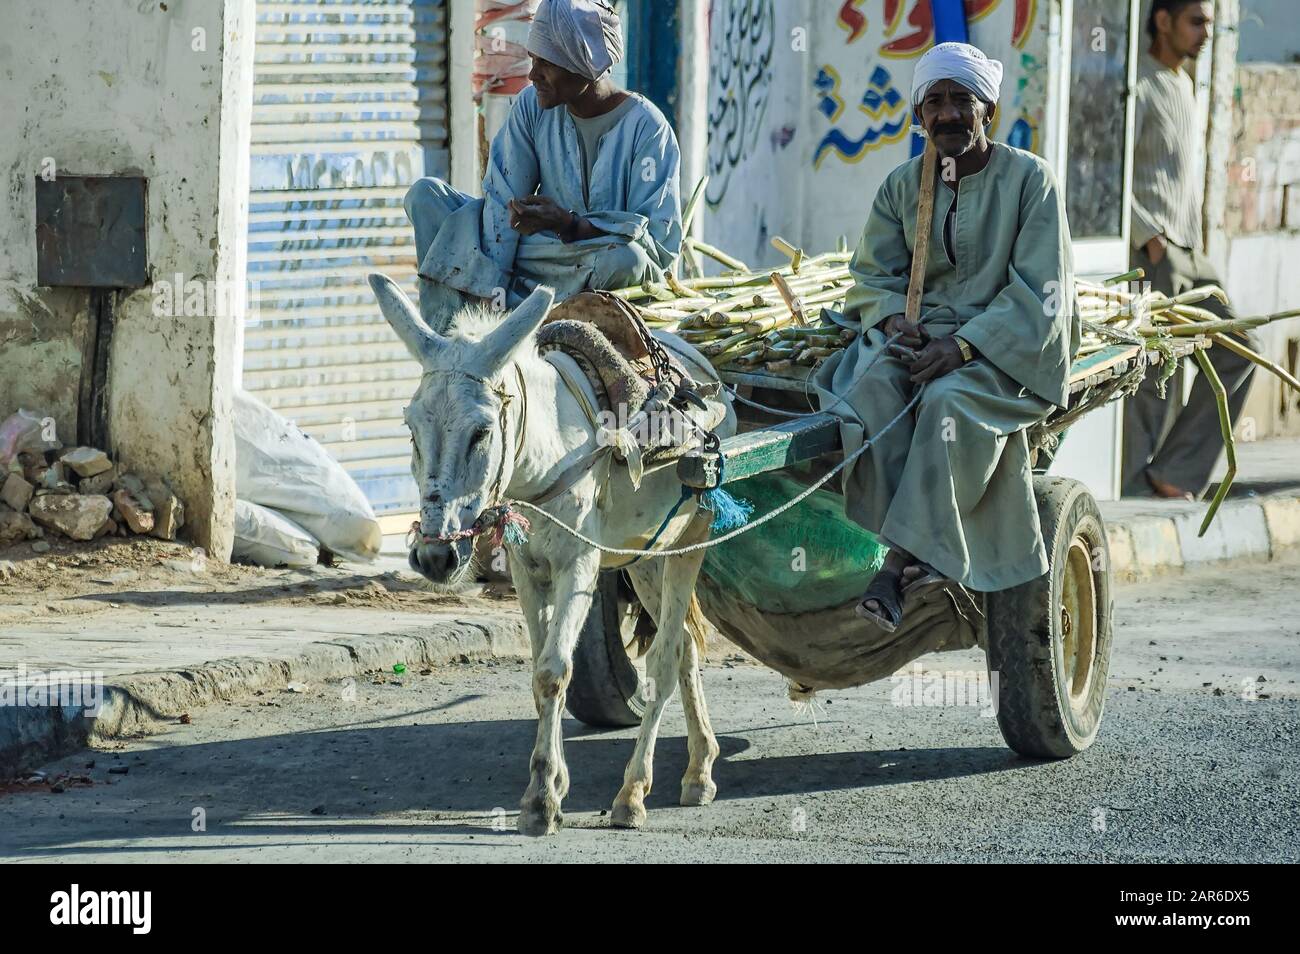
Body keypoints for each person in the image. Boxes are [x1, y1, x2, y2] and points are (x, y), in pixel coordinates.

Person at [810, 42, 1078, 631]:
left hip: (1008, 346)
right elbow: (872, 274)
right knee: (869, 393)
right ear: (918, 117)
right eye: (935, 103)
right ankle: (921, 540)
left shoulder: (1031, 181)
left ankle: (899, 561)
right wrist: (891, 321)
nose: (949, 114)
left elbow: (1041, 290)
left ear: (989, 110)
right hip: (920, 335)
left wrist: (961, 348)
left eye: (963, 100)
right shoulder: (902, 186)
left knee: (948, 403)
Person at [403, 0, 682, 331]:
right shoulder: (530, 106)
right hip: (535, 254)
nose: (532, 74)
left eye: (545, 63)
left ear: (583, 63)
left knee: (626, 259)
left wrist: (570, 226)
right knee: (428, 197)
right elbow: (501, 201)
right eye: (532, 59)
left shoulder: (648, 128)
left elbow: (659, 245)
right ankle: (448, 337)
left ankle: (539, 308)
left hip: (593, 264)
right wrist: (494, 289)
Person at [1123, 0, 1260, 500]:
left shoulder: (1184, 84)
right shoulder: (1137, 81)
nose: (1206, 33)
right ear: (1163, 21)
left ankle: (1174, 472)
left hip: (1190, 251)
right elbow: (1107, 164)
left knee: (1242, 349)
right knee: (1152, 375)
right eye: (1196, 21)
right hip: (1154, 251)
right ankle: (1136, 488)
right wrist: (1148, 238)